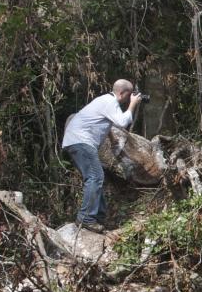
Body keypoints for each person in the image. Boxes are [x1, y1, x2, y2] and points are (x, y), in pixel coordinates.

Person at [62, 80, 144, 233]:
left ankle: (99, 217)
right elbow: (122, 122)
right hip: (81, 141)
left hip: (75, 141)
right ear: (122, 93)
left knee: (96, 177)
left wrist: (112, 140)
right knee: (95, 177)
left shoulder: (104, 100)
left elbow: (104, 122)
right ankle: (86, 218)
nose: (130, 98)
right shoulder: (110, 101)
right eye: (129, 95)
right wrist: (133, 104)